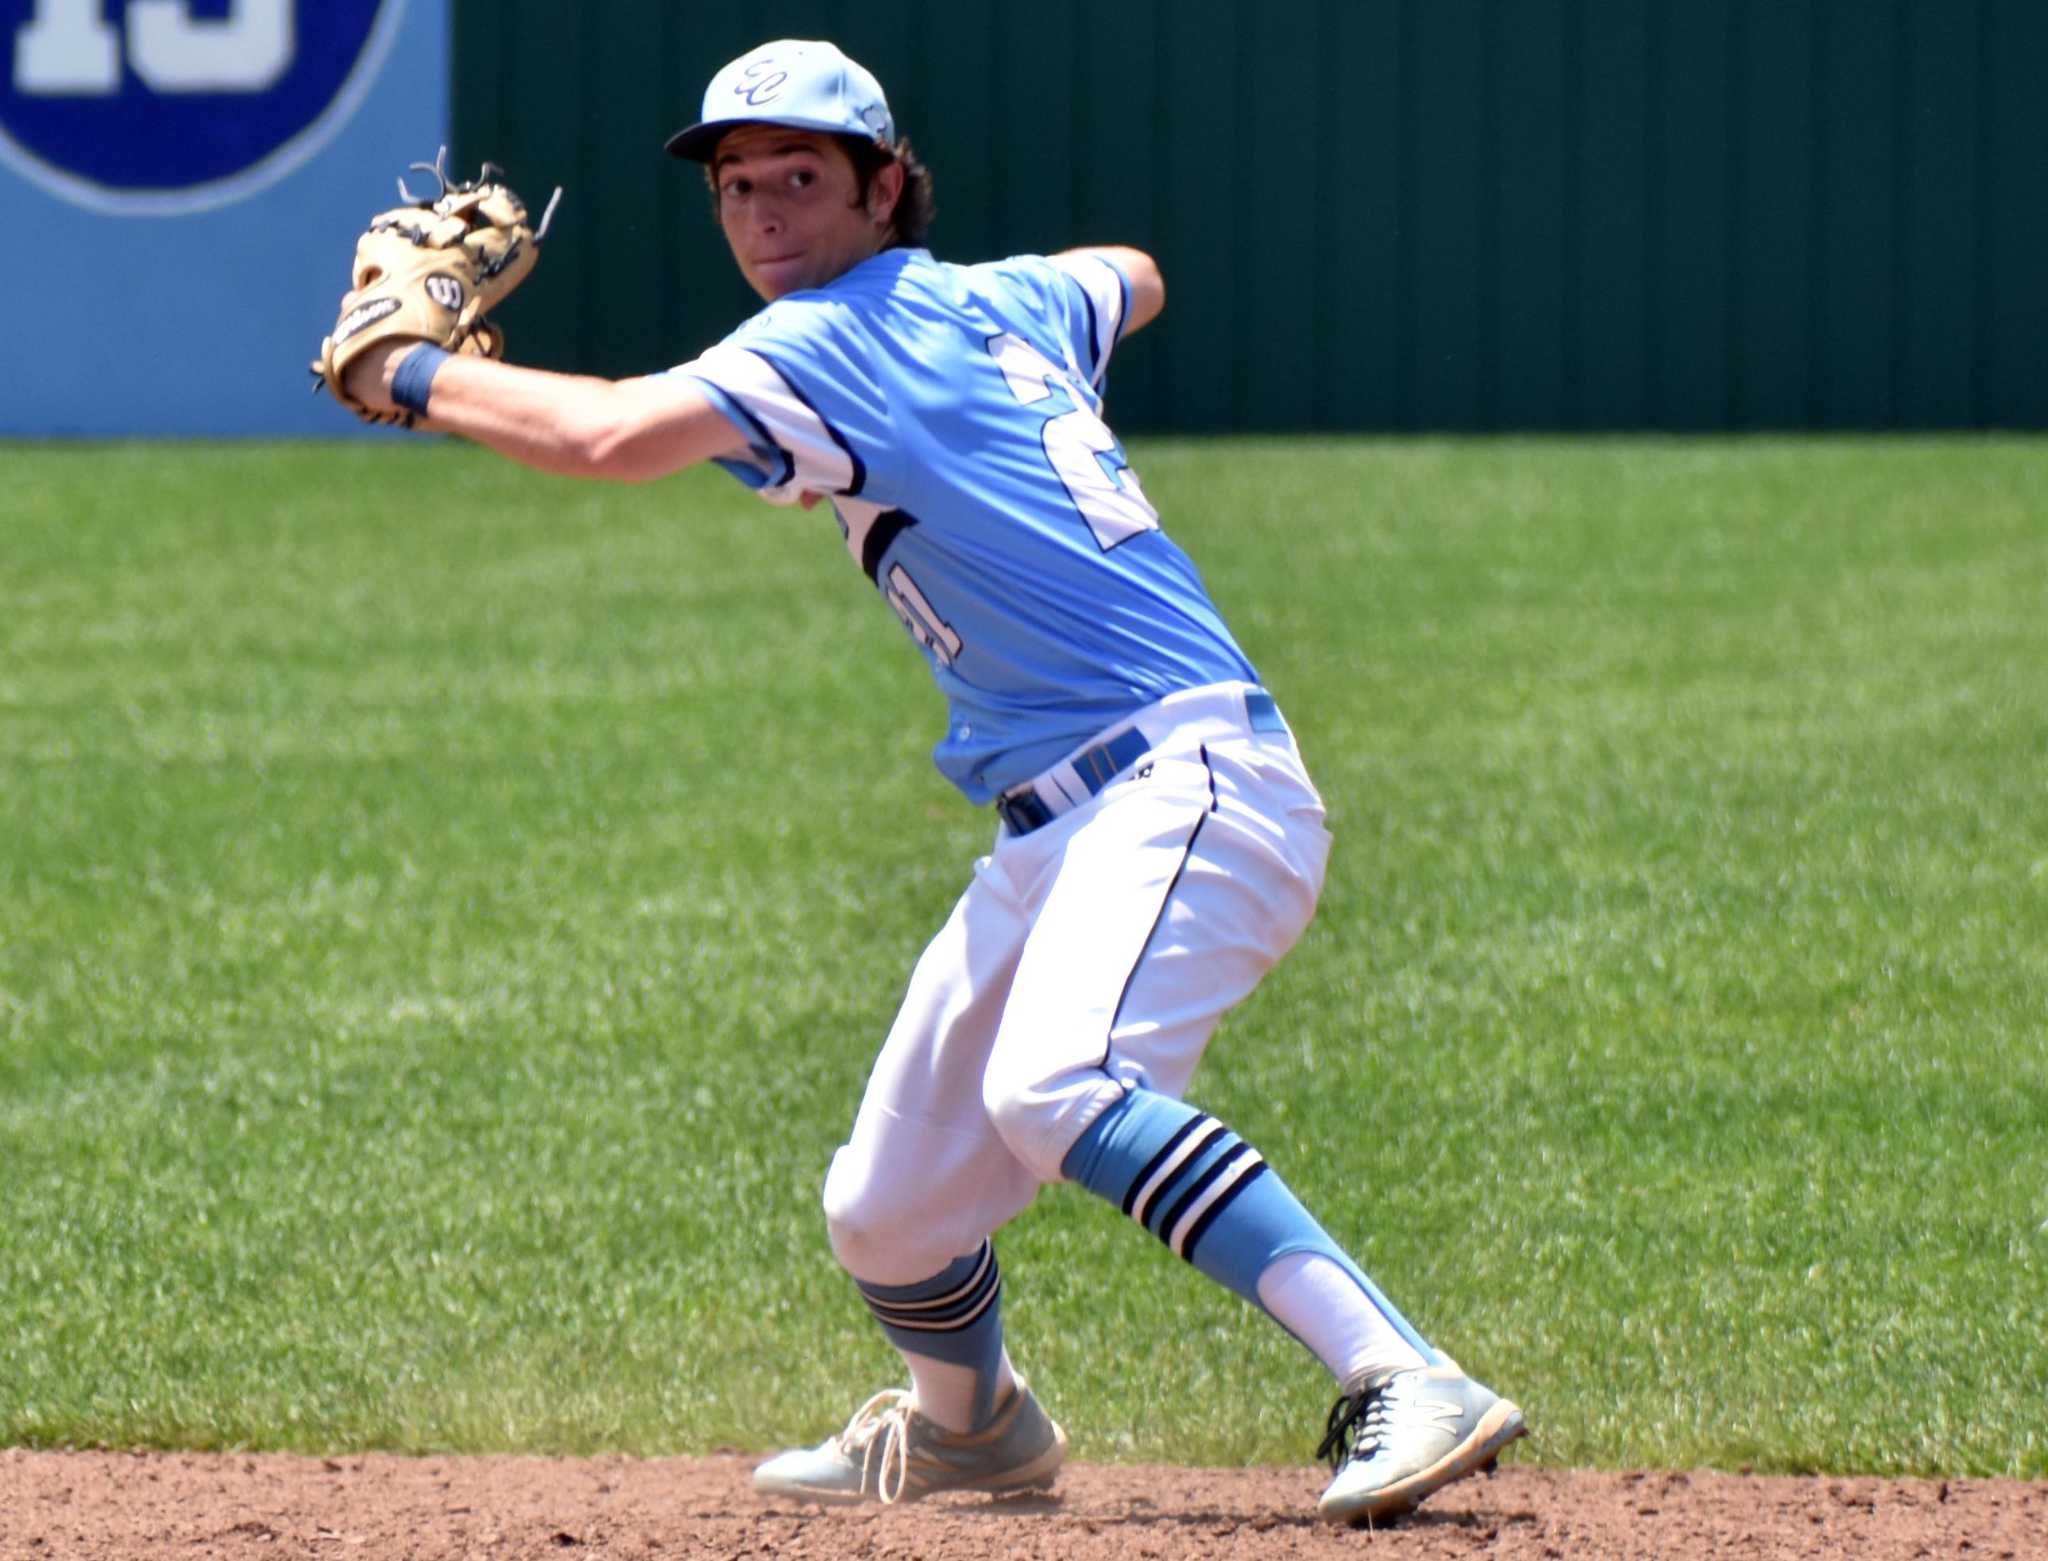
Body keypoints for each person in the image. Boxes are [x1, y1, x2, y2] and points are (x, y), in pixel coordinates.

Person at [337, 38, 1525, 1527]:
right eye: (738, 186)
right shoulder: (1001, 300)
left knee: (1058, 1086)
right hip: (1069, 822)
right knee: (885, 1212)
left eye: (801, 178)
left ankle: (1403, 1369)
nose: (763, 212)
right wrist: (1026, 307)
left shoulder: (822, 340)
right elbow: (1133, 271)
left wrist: (411, 373)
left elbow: (609, 435)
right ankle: (974, 1429)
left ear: (883, 186)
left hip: (1188, 779)